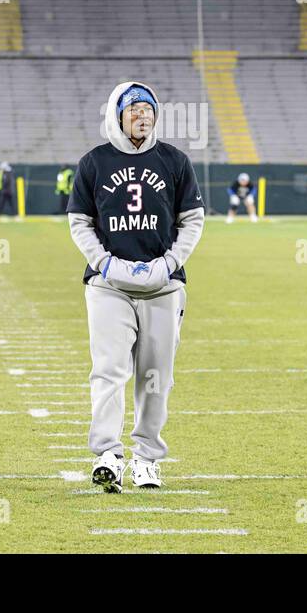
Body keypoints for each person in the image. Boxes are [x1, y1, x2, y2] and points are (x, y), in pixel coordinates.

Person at [68, 82, 204, 493]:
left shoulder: (175, 161)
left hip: (163, 287)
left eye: (149, 110)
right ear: (118, 115)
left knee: (155, 378)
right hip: (109, 286)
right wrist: (104, 262)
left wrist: (169, 263)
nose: (143, 116)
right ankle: (108, 453)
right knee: (108, 371)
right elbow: (80, 222)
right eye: (134, 110)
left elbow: (192, 220)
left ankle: (147, 460)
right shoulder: (93, 162)